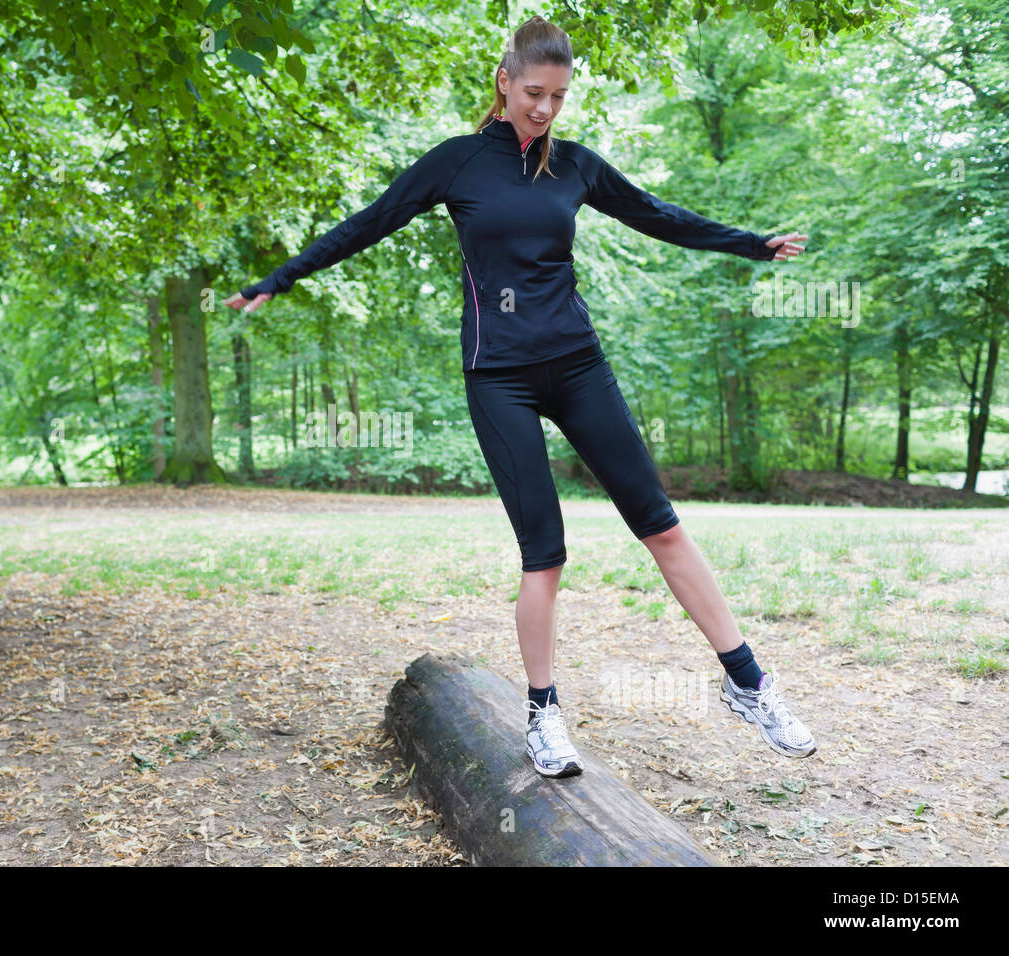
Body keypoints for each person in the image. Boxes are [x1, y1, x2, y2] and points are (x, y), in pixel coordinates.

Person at [224, 15, 817, 779]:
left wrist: (751, 243)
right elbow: (367, 223)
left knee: (661, 527)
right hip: (497, 375)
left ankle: (749, 684)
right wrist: (280, 277)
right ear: (505, 83)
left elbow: (658, 217)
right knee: (545, 555)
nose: (545, 109)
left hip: (576, 365)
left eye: (559, 97)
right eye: (534, 92)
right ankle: (543, 715)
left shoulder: (573, 167)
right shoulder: (457, 164)